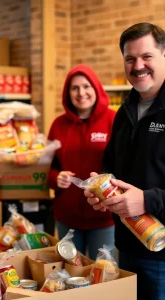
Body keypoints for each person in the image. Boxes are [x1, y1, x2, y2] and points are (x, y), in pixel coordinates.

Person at [85, 22, 165, 300]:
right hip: (126, 247)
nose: (138, 65)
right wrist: (102, 188)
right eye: (130, 59)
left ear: (164, 55)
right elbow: (111, 164)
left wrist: (147, 200)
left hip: (162, 256)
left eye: (147, 57)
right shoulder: (123, 112)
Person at [47, 64, 116, 260]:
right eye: (74, 88)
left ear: (96, 88)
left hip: (104, 217)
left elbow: (125, 165)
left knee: (103, 275)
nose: (81, 93)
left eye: (86, 86)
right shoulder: (58, 125)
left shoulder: (113, 120)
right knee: (69, 275)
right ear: (67, 93)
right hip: (66, 217)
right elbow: (48, 169)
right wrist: (56, 177)